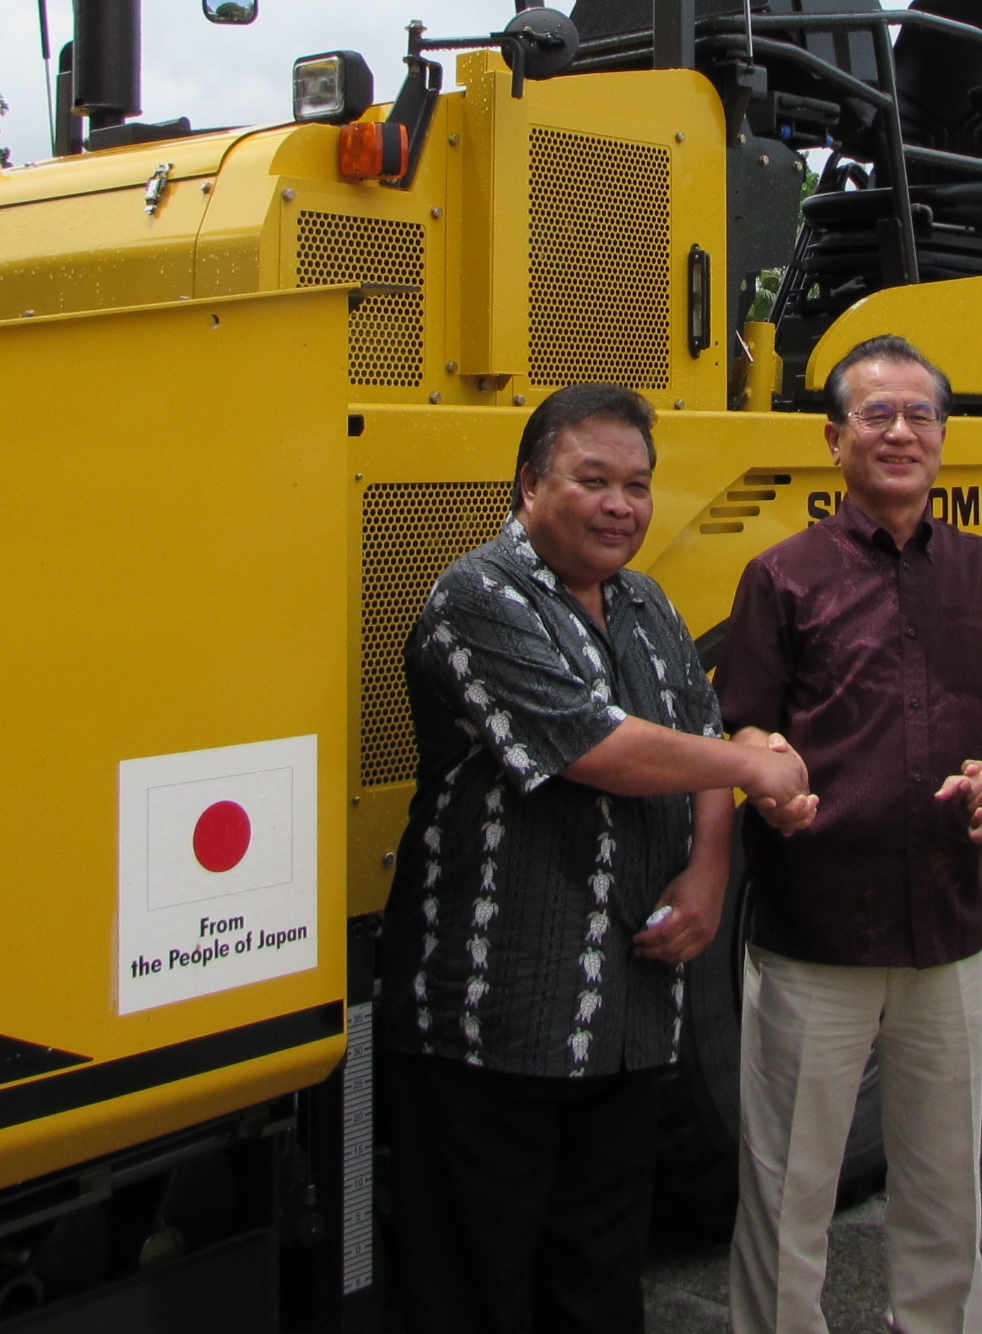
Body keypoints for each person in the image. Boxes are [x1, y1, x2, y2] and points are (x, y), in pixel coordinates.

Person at [379, 383, 817, 1334]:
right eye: (594, 480)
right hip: (496, 1017)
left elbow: (694, 731)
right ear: (531, 484)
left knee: (599, 1280)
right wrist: (757, 766)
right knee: (471, 1287)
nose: (621, 505)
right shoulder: (477, 597)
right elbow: (593, 746)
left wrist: (708, 872)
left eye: (638, 484)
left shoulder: (646, 600)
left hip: (624, 1017)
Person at [717, 334, 982, 1334]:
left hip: (951, 928)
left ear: (944, 439)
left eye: (920, 415)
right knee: (786, 1193)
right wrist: (768, 775)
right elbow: (744, 719)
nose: (901, 432)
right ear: (833, 440)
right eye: (876, 415)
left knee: (945, 1193)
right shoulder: (779, 576)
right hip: (816, 930)